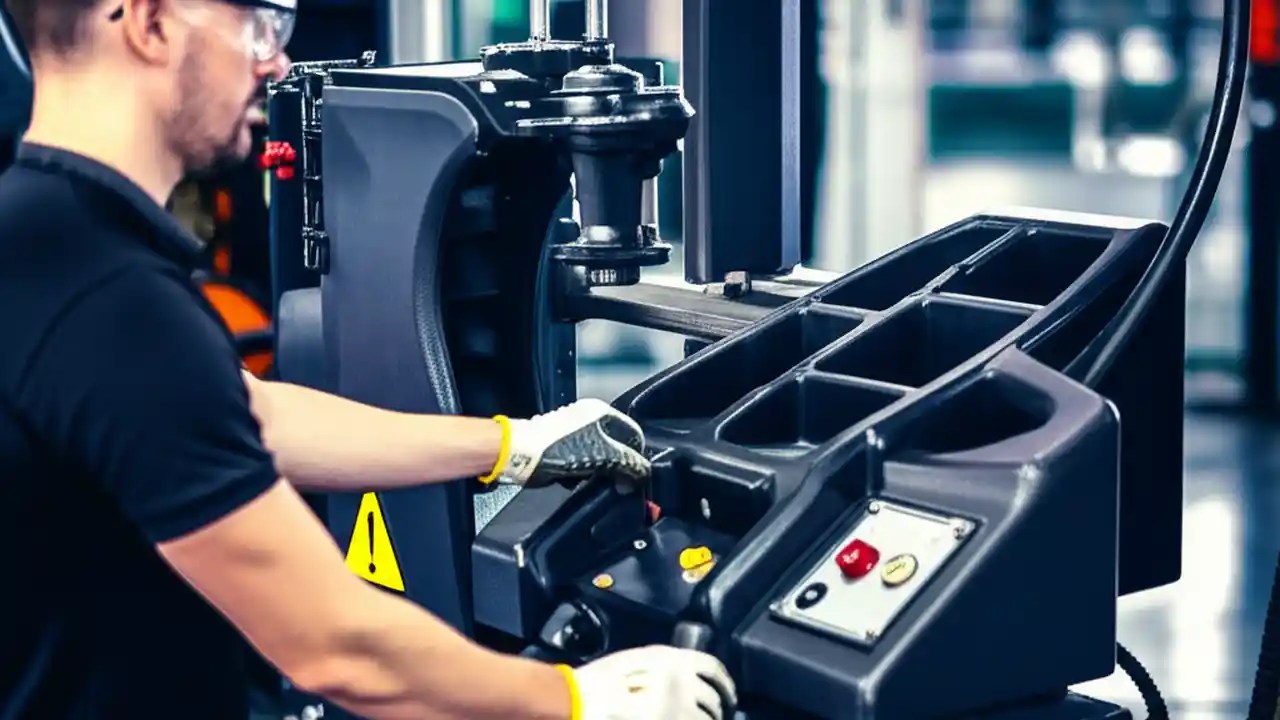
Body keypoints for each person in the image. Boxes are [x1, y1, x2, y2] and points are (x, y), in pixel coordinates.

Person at [0, 1, 737, 719]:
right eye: (257, 26)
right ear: (151, 22)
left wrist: (513, 444)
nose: (276, 60)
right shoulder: (107, 295)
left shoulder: (41, 234)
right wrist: (577, 701)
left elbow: (243, 412)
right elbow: (333, 644)